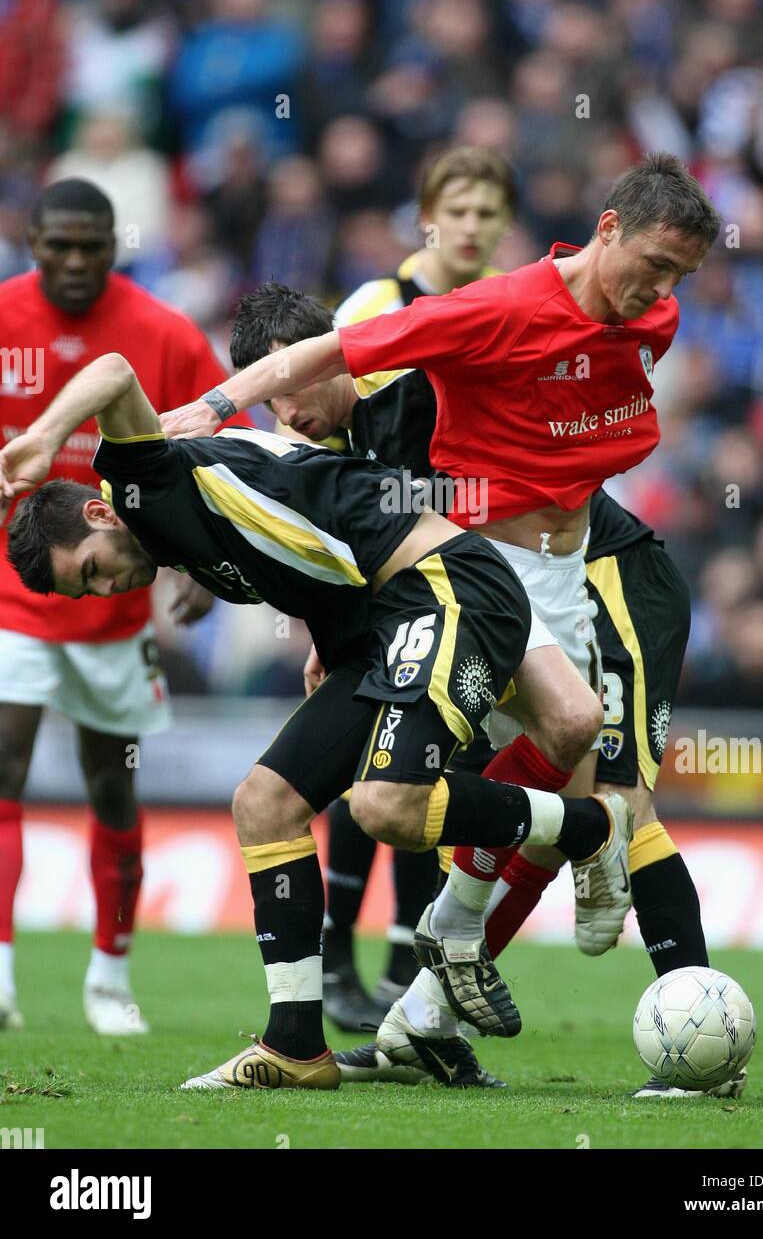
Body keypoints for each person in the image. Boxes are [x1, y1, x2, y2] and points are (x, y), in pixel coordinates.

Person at [159, 151, 723, 1090]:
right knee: (514, 776)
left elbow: (372, 411)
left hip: (608, 573)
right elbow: (376, 526)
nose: (665, 293)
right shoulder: (353, 419)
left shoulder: (426, 374)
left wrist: (210, 407)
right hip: (486, 576)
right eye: (658, 270)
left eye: (677, 276)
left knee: (612, 790)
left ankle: (661, 1023)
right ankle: (419, 1003)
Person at [1, 351, 624, 1089]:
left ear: (101, 515)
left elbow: (111, 372)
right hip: (375, 627)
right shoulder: (175, 536)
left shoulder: (140, 483)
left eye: (92, 569)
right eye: (90, 594)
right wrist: (329, 646)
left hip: (443, 588)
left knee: (385, 807)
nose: (108, 588)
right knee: (263, 804)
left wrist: (42, 437)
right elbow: (307, 534)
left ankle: (590, 828)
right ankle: (296, 1045)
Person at [0, 179, 239, 1035]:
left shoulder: (162, 331)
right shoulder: (2, 317)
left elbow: (224, 438)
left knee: (112, 786)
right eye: (56, 244)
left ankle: (109, 975)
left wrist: (203, 563)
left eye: (89, 245)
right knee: (5, 764)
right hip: (14, 597)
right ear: (32, 241)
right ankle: (1, 978)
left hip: (114, 603)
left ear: (114, 245)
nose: (72, 260)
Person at [319, 145, 515, 1029]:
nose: (472, 227)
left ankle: (404, 956)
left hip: (464, 560)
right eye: (458, 210)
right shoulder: (374, 307)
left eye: (487, 212)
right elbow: (321, 428)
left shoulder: (508, 304)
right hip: (375, 560)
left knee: (435, 755)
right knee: (374, 751)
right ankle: (333, 959)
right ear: (427, 214)